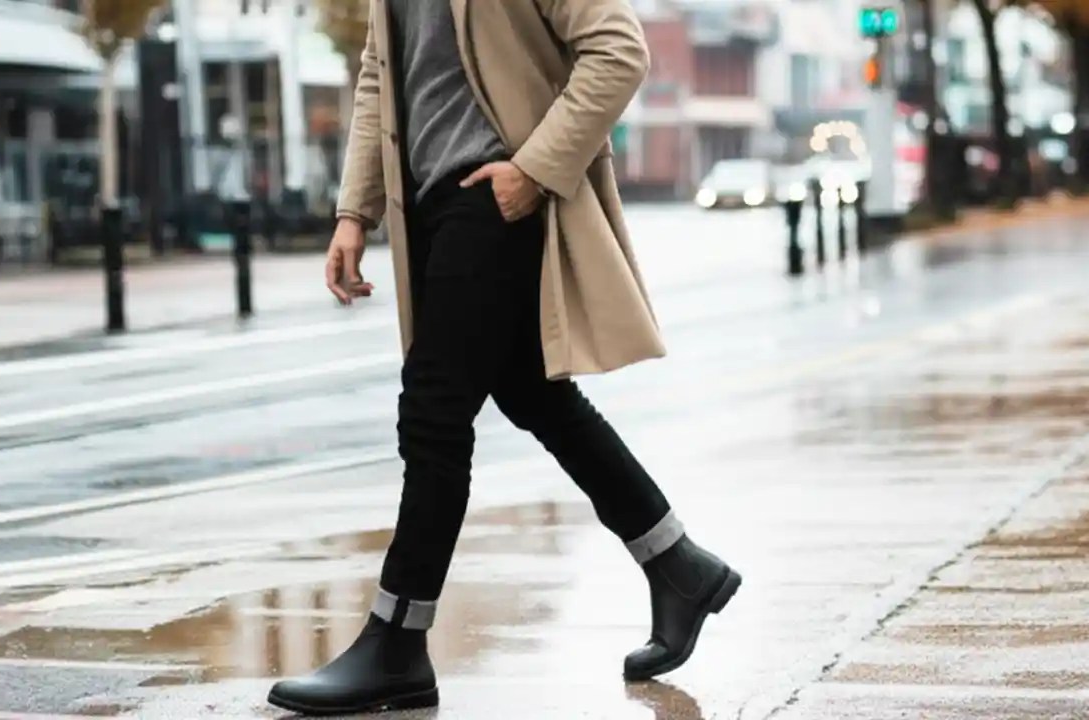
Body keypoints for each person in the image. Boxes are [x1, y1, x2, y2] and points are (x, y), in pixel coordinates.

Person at [267, 0, 740, 715]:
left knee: (432, 412)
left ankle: (398, 637)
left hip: (494, 196)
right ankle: (678, 565)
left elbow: (618, 50)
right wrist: (352, 211)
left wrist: (533, 171)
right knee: (535, 395)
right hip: (428, 205)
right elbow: (379, 73)